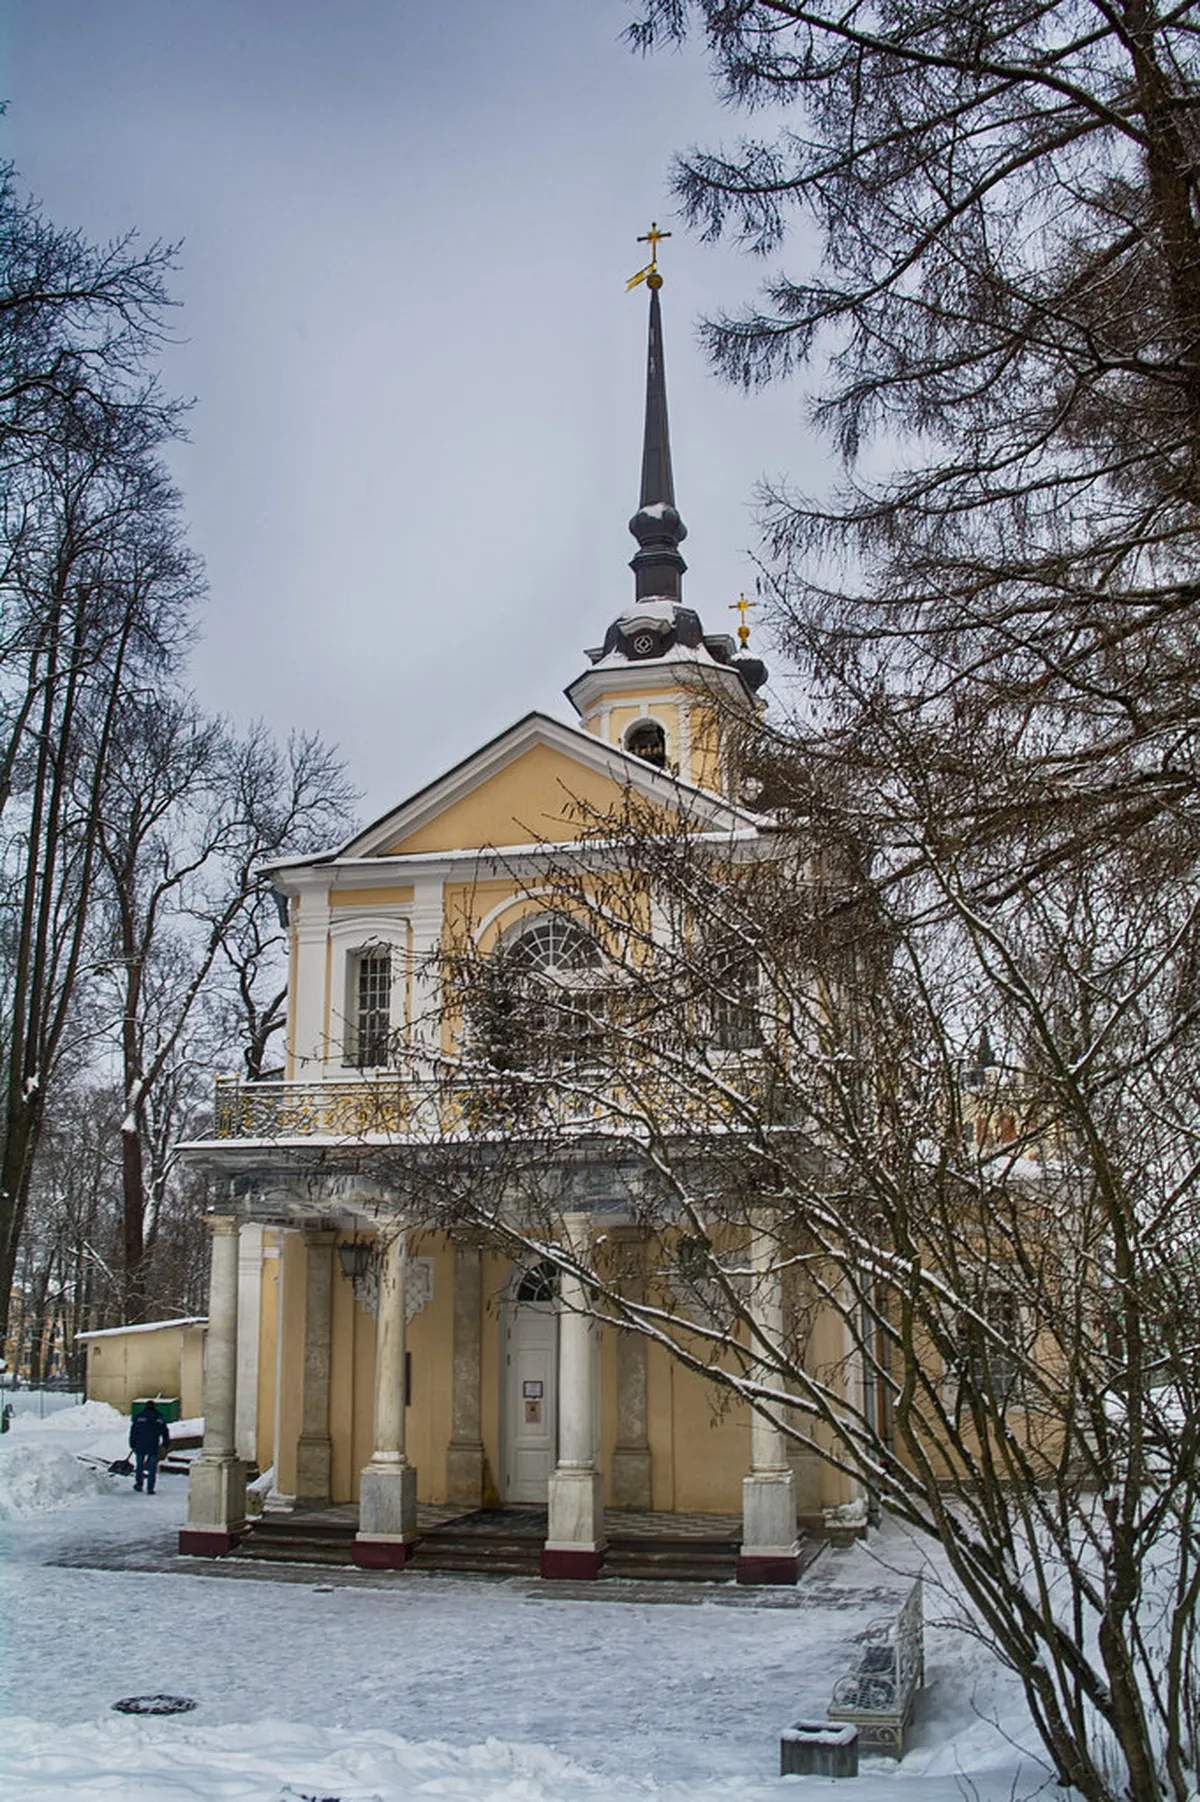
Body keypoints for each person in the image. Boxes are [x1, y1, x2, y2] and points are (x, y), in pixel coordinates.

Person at [129, 1402, 171, 1494]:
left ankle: (139, 1484)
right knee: (152, 1467)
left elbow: (133, 1432)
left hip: (140, 1445)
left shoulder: (138, 1417)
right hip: (153, 1446)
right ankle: (150, 1488)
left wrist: (132, 1444)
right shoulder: (159, 1418)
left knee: (139, 1466)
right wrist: (165, 1444)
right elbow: (165, 1432)